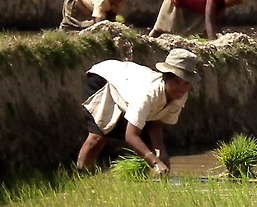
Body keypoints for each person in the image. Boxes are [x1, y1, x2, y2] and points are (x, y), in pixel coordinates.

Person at [76, 48, 201, 176]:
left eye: (186, 83)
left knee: (150, 144)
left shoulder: (179, 96)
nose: (181, 88)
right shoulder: (148, 94)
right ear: (165, 78)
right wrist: (155, 162)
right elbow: (130, 136)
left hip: (128, 88)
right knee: (99, 136)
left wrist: (160, 152)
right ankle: (81, 174)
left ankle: (149, 179)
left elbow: (156, 123)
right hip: (104, 79)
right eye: (176, 82)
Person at [148, 0, 249, 40]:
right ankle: (148, 40)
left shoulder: (222, 2)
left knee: (194, 30)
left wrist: (220, 37)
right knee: (165, 28)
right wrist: (214, 43)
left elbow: (216, 22)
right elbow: (209, 21)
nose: (234, 5)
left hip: (194, 3)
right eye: (234, 0)